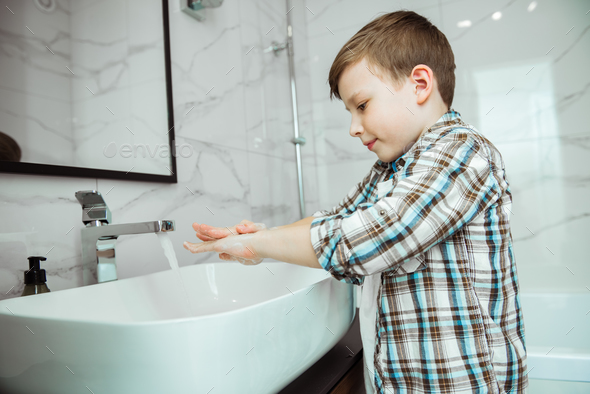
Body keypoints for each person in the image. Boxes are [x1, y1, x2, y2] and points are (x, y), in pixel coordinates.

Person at [184, 10, 528, 394]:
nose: (353, 127)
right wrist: (266, 237)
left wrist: (257, 245)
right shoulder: (391, 169)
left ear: (419, 84)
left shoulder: (463, 153)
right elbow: (334, 218)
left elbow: (371, 237)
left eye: (361, 105)